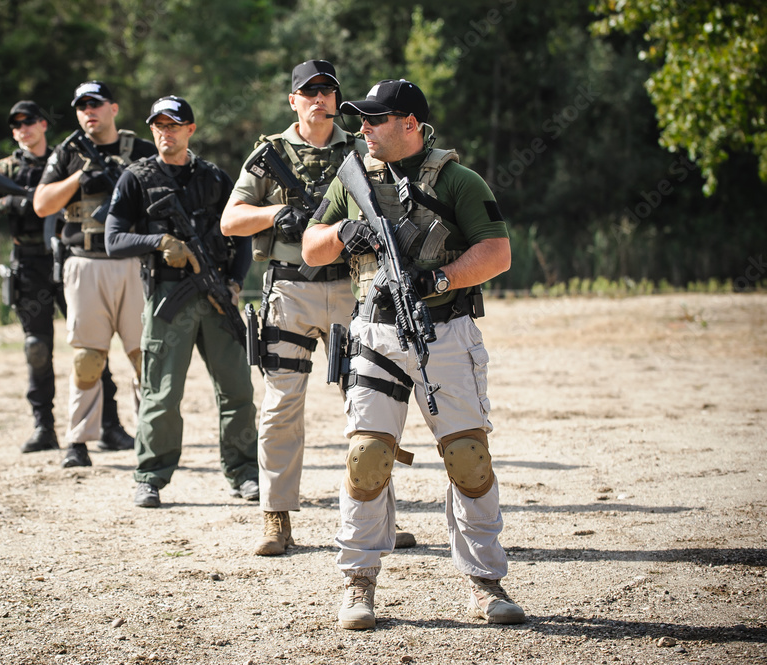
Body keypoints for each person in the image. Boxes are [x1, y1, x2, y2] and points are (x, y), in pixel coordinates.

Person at [301, 79, 525, 629]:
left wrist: (439, 278)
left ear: (410, 124)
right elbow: (310, 247)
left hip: (445, 332)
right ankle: (358, 583)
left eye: (374, 119)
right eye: (360, 119)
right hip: (375, 336)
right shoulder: (351, 177)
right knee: (367, 459)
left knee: (468, 458)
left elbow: (497, 252)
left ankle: (484, 584)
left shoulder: (458, 180)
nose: (363, 129)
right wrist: (344, 232)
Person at [220, 60, 366, 556]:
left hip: (350, 287)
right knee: (281, 405)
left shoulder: (359, 149)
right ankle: (276, 516)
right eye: (309, 91)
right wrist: (277, 213)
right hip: (291, 291)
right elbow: (231, 220)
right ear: (293, 101)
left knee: (368, 404)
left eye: (327, 90)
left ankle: (374, 515)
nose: (319, 99)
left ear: (337, 99)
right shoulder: (270, 155)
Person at [105, 95, 259, 509]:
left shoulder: (214, 178)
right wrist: (158, 241)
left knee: (237, 391)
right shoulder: (135, 178)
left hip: (217, 297)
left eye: (173, 125)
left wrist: (235, 282)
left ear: (190, 129)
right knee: (161, 393)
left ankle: (245, 473)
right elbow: (113, 239)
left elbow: (241, 235)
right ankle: (150, 477)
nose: (165, 133)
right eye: (158, 126)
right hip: (168, 297)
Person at [0, 100, 132, 456]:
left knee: (91, 346)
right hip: (30, 265)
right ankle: (44, 427)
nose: (22, 129)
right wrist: (10, 203)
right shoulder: (6, 168)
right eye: (16, 125)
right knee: (37, 348)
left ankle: (110, 426)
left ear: (43, 124)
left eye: (29, 122)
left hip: (69, 259)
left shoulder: (67, 158)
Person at [32, 82, 158, 468]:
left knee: (145, 357)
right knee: (87, 359)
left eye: (96, 104)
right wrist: (79, 178)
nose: (89, 111)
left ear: (113, 108)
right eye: (82, 106)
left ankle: (151, 441)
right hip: (85, 263)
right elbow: (41, 204)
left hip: (134, 263)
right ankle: (78, 441)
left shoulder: (141, 150)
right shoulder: (67, 153)